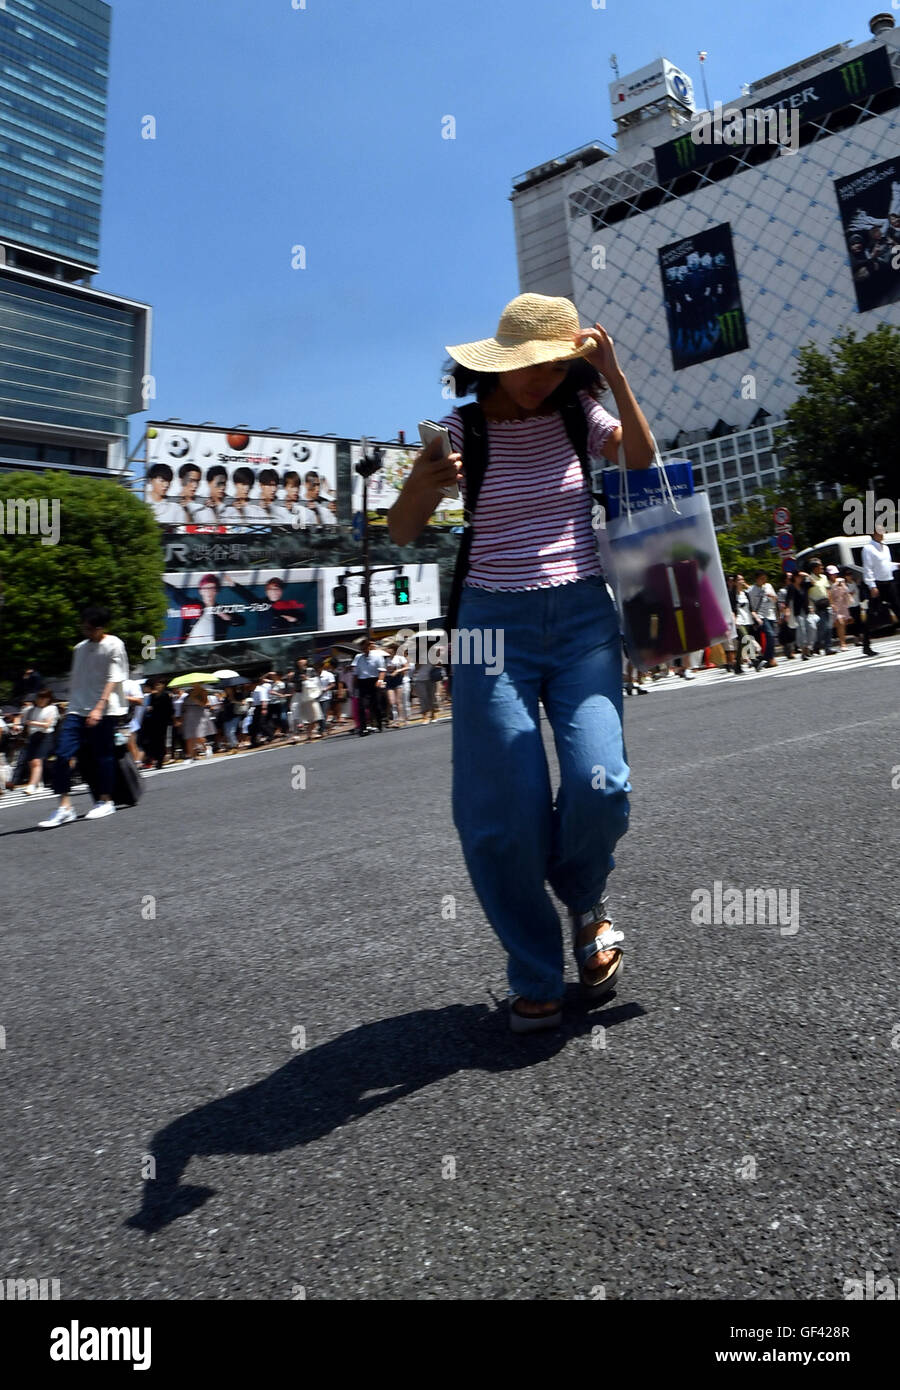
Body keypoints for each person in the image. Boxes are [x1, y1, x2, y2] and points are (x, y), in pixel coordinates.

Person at [388, 292, 654, 1031]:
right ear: (495, 365)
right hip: (487, 626)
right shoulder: (459, 429)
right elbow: (403, 534)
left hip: (582, 618)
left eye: (555, 362)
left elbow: (641, 461)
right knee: (502, 810)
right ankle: (533, 969)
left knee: (602, 783)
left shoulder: (581, 415)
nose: (539, 376)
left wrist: (615, 375)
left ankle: (587, 901)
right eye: (526, 364)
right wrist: (420, 484)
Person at [38, 605, 129, 829]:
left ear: (101, 628)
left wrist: (99, 707)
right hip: (77, 710)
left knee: (102, 756)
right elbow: (78, 680)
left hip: (105, 709)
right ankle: (65, 807)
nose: (85, 631)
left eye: (89, 628)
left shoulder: (114, 644)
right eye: (84, 627)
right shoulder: (79, 648)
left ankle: (106, 801)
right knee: (61, 754)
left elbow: (114, 678)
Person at [861, 526, 900, 656]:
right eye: (881, 531)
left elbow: (886, 565)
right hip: (877, 585)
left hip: (889, 582)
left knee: (898, 609)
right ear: (874, 533)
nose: (884, 533)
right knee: (871, 615)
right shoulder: (868, 549)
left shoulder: (886, 547)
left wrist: (897, 565)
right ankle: (866, 645)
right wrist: (872, 586)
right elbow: (868, 568)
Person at [21, 688, 59, 794]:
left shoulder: (52, 708)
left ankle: (31, 785)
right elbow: (25, 722)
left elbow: (47, 725)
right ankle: (39, 783)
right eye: (39, 698)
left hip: (46, 736)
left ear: (48, 698)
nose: (40, 700)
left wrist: (32, 723)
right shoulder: (32, 709)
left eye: (43, 698)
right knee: (31, 761)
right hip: (33, 736)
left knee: (37, 761)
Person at [352, 638, 385, 736]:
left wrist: (380, 680)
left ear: (369, 647)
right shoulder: (358, 657)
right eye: (363, 648)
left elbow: (382, 670)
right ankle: (363, 728)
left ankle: (379, 723)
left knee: (375, 705)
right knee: (362, 705)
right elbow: (355, 673)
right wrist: (355, 685)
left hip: (374, 681)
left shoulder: (377, 656)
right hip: (362, 682)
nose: (365, 650)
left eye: (366, 647)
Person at [139, 677, 174, 769]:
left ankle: (160, 760)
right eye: (156, 685)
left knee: (161, 741)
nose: (158, 686)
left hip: (162, 722)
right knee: (152, 742)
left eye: (160, 685)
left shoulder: (166, 696)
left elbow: (170, 709)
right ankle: (154, 758)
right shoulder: (151, 696)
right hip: (152, 723)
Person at [747, 570, 779, 666]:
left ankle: (768, 658)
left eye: (765, 578)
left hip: (771, 614)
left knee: (771, 637)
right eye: (762, 578)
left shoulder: (768, 586)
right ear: (757, 579)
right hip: (760, 616)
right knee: (770, 634)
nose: (764, 580)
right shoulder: (751, 590)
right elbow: (750, 606)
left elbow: (775, 599)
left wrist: (772, 596)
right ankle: (769, 658)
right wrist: (754, 617)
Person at [805, 558, 833, 655]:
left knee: (828, 627)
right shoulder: (809, 578)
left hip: (826, 603)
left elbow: (828, 590)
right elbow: (807, 593)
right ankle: (818, 645)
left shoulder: (824, 577)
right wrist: (810, 606)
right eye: (819, 566)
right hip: (816, 605)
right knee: (822, 627)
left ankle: (827, 647)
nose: (822, 567)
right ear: (814, 568)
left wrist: (831, 603)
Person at [826, 566, 851, 651]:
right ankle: (842, 643)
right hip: (834, 605)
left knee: (843, 623)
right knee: (839, 622)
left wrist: (842, 585)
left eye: (835, 573)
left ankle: (843, 642)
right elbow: (829, 594)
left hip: (842, 605)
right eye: (832, 574)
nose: (834, 575)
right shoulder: (828, 583)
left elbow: (846, 591)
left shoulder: (840, 581)